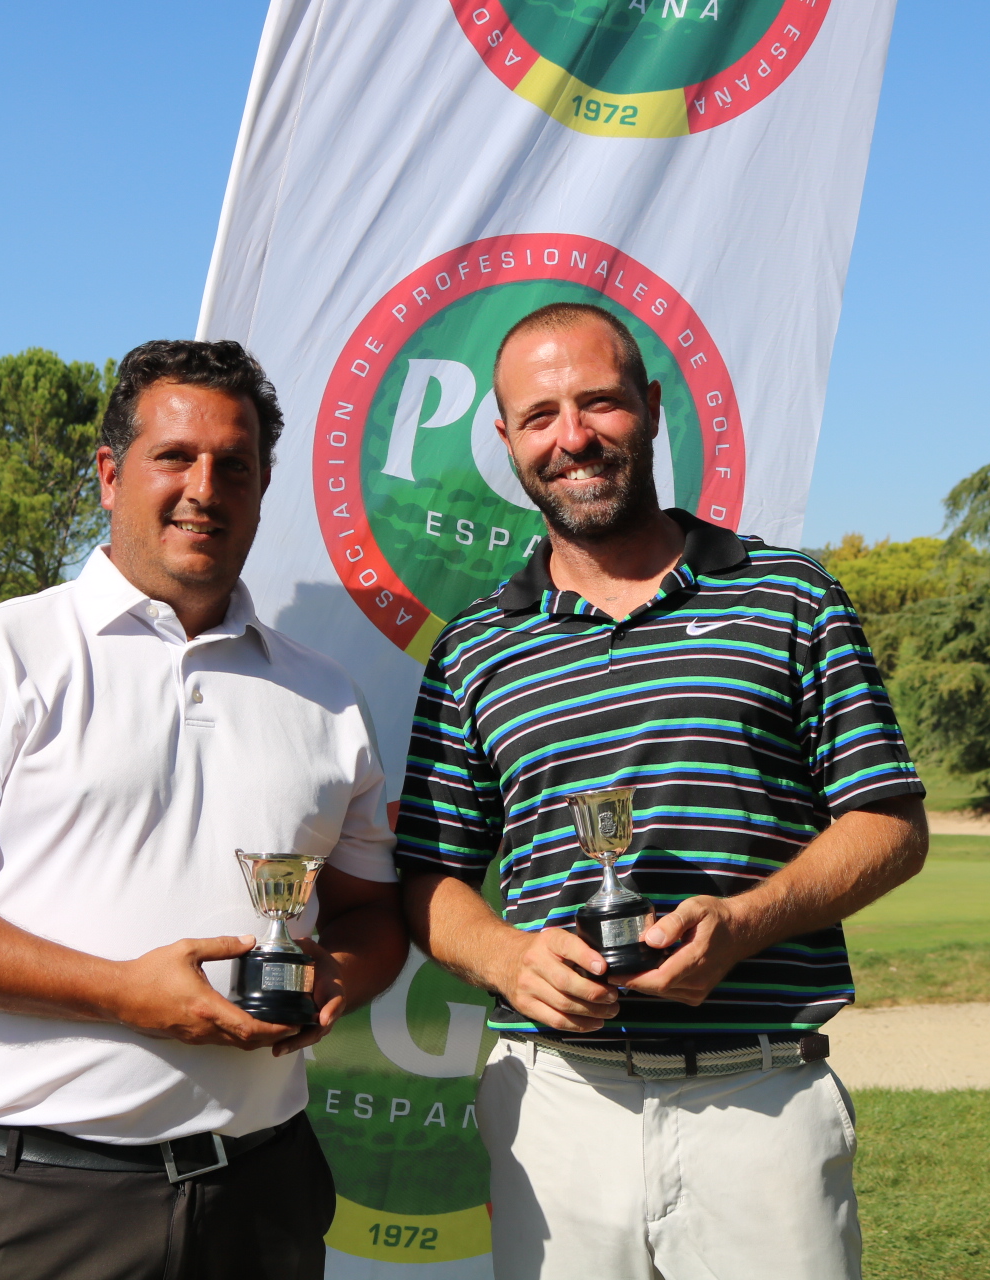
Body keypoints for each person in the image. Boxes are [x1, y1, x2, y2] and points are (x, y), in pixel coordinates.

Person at [0, 339, 407, 1280]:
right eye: (174, 457)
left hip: (262, 1195)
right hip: (35, 1201)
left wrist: (332, 984)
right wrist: (125, 994)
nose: (205, 487)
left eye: (236, 466)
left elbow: (370, 913)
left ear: (263, 489)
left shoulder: (326, 696)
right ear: (110, 475)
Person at [394, 303, 929, 1280]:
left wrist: (748, 921)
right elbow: (429, 878)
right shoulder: (475, 646)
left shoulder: (789, 595)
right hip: (558, 1107)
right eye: (542, 415)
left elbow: (890, 823)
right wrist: (509, 959)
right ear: (507, 441)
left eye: (600, 402)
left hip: (760, 1097)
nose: (575, 437)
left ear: (649, 407)